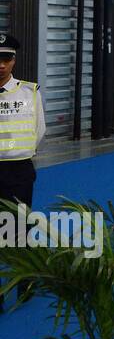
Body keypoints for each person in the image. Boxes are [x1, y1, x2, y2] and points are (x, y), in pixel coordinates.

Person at [0, 34, 44, 315]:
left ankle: (24, 282)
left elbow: (39, 130)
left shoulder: (29, 93)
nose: (1, 65)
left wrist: (15, 152)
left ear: (14, 60)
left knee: (19, 228)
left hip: (18, 170)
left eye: (6, 59)